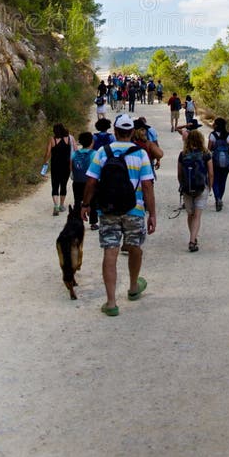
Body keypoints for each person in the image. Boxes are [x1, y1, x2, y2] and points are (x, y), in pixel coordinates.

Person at [81, 113, 156, 316]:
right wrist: (152, 214)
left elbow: (91, 181)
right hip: (134, 209)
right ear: (132, 132)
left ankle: (111, 303)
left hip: (108, 209)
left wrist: (85, 205)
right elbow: (147, 186)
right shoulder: (140, 154)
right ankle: (133, 287)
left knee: (110, 251)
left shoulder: (102, 152)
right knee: (135, 247)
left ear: (115, 131)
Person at [177, 129, 213, 251]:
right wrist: (210, 187)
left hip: (187, 188)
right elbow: (211, 173)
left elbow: (179, 173)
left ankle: (193, 236)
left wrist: (182, 185)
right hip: (201, 187)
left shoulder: (183, 154)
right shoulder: (206, 154)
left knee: (190, 214)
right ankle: (192, 240)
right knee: (197, 215)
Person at [43, 123, 76, 216]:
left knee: (55, 185)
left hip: (55, 166)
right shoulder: (68, 139)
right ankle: (61, 205)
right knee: (63, 185)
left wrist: (45, 162)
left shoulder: (52, 139)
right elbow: (75, 151)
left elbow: (48, 153)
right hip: (66, 166)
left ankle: (56, 206)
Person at [207, 117, 229, 211]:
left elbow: (209, 149)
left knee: (215, 180)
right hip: (226, 163)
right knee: (223, 181)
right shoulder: (228, 135)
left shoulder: (212, 135)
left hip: (215, 161)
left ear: (216, 125)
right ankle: (220, 197)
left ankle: (217, 199)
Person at [71, 132, 94, 213]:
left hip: (77, 182)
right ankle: (93, 219)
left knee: (77, 202)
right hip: (90, 182)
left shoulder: (74, 154)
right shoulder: (94, 154)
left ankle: (77, 217)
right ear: (92, 141)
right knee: (92, 203)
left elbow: (70, 168)